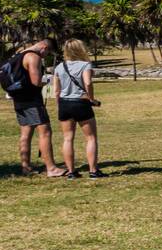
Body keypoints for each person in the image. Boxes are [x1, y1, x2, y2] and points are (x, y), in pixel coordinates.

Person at [4, 39, 64, 178]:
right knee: (45, 132)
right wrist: (48, 81)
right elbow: (36, 81)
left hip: (19, 100)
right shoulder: (33, 56)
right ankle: (51, 168)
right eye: (47, 53)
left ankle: (25, 167)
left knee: (26, 133)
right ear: (44, 47)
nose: (45, 56)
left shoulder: (19, 54)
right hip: (32, 101)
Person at [51, 38, 103, 179]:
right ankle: (93, 171)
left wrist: (59, 104)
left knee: (68, 138)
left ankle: (71, 172)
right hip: (80, 102)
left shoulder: (59, 67)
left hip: (64, 103)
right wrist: (91, 98)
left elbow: (56, 90)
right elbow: (88, 82)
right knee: (90, 138)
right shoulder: (85, 65)